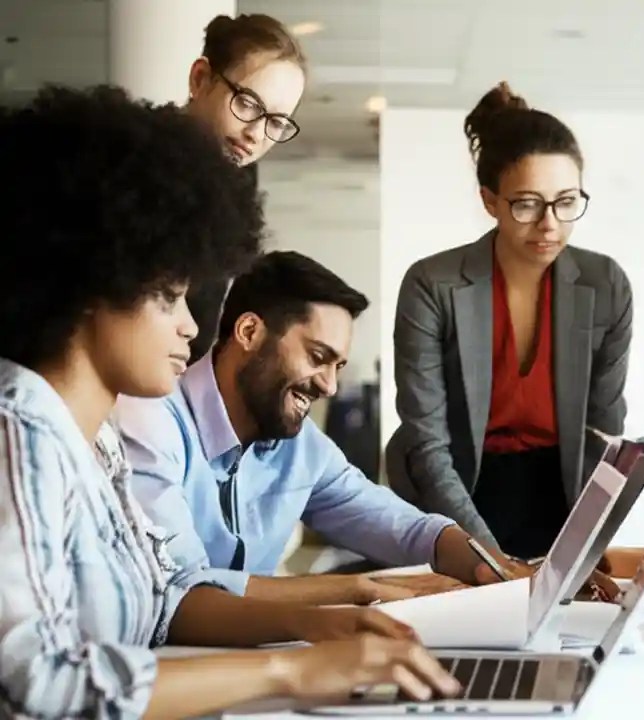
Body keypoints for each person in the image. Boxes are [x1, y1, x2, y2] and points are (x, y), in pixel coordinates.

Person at [0, 85, 459, 718]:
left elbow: (168, 605)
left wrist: (330, 629)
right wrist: (291, 669)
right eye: (168, 297)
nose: (190, 328)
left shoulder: (95, 439)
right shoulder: (19, 428)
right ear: (87, 283)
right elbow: (41, 685)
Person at [117, 251, 508, 606]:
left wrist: (499, 571)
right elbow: (184, 590)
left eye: (337, 367)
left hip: (251, 657)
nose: (329, 386)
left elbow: (408, 530)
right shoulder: (151, 422)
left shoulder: (302, 449)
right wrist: (359, 590)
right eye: (318, 357)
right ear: (249, 332)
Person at [385, 82, 633, 560]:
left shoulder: (607, 286)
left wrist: (583, 544)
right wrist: (491, 562)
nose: (549, 224)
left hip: (559, 492)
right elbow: (428, 443)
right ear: (489, 201)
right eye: (526, 203)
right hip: (452, 493)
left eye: (566, 201)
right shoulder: (432, 285)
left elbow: (604, 437)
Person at [183, 12, 308, 362]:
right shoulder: (129, 170)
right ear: (200, 79)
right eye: (249, 104)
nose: (256, 134)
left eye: (277, 121)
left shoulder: (238, 179)